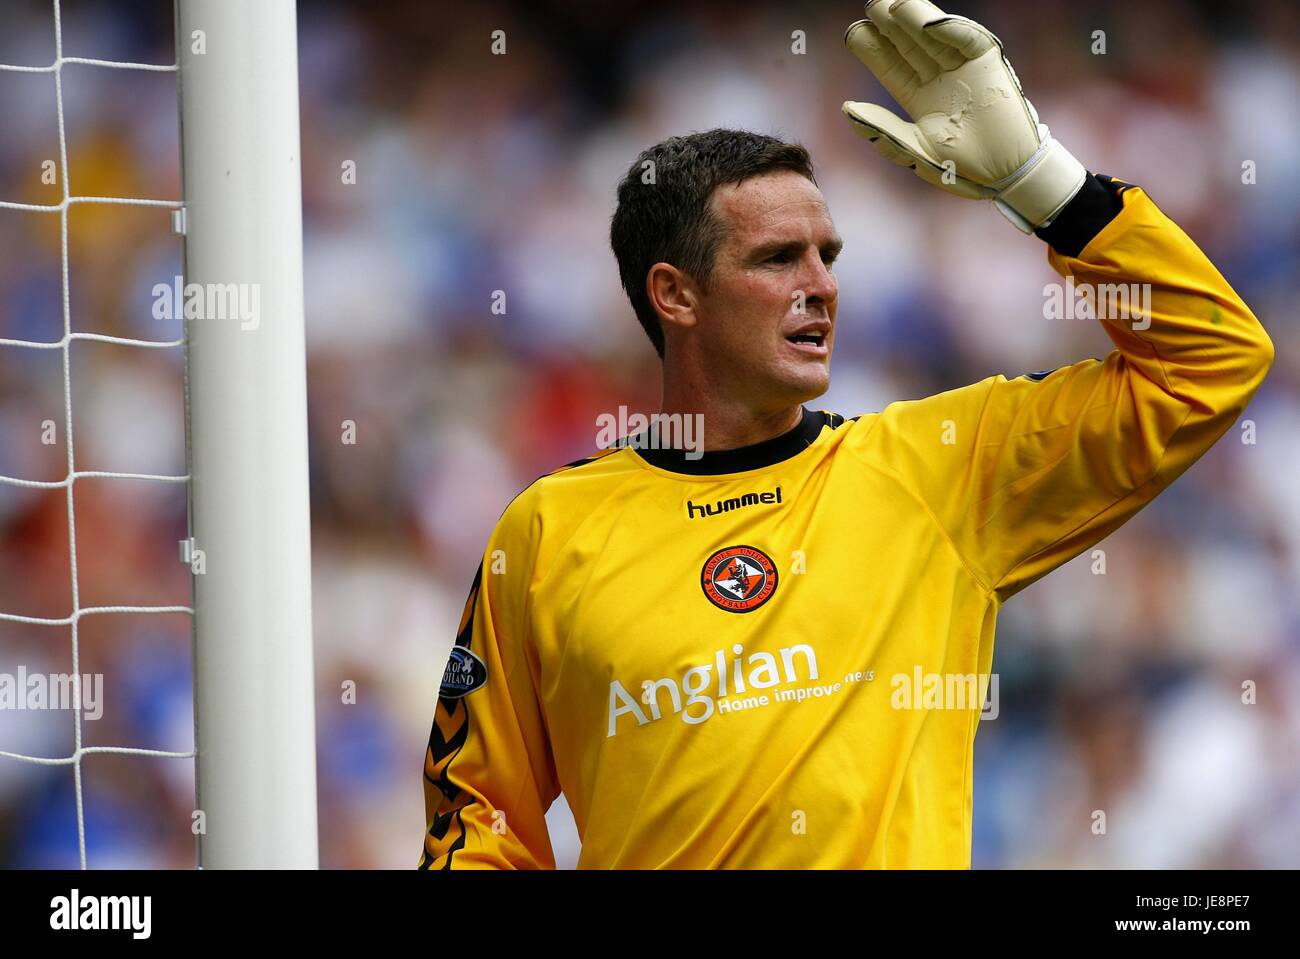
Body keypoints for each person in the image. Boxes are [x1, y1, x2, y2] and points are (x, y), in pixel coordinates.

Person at [420, 0, 1273, 868]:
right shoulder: (549, 531)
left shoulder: (938, 471)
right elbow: (477, 814)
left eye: (829, 254)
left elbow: (1211, 363)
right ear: (674, 294)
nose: (822, 285)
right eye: (778, 258)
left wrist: (1042, 183)